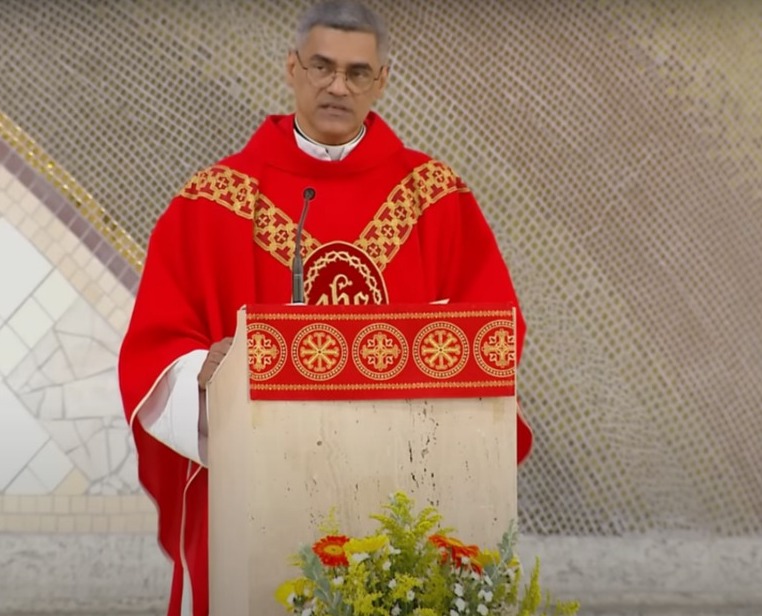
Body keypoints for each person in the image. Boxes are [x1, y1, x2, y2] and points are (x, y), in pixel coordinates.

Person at [118, 2, 533, 614]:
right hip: (260, 488)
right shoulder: (214, 202)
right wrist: (202, 373)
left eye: (358, 72)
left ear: (382, 80)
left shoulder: (434, 198)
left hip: (407, 489)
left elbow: (494, 336)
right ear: (292, 68)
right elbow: (154, 346)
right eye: (322, 66)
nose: (338, 86)